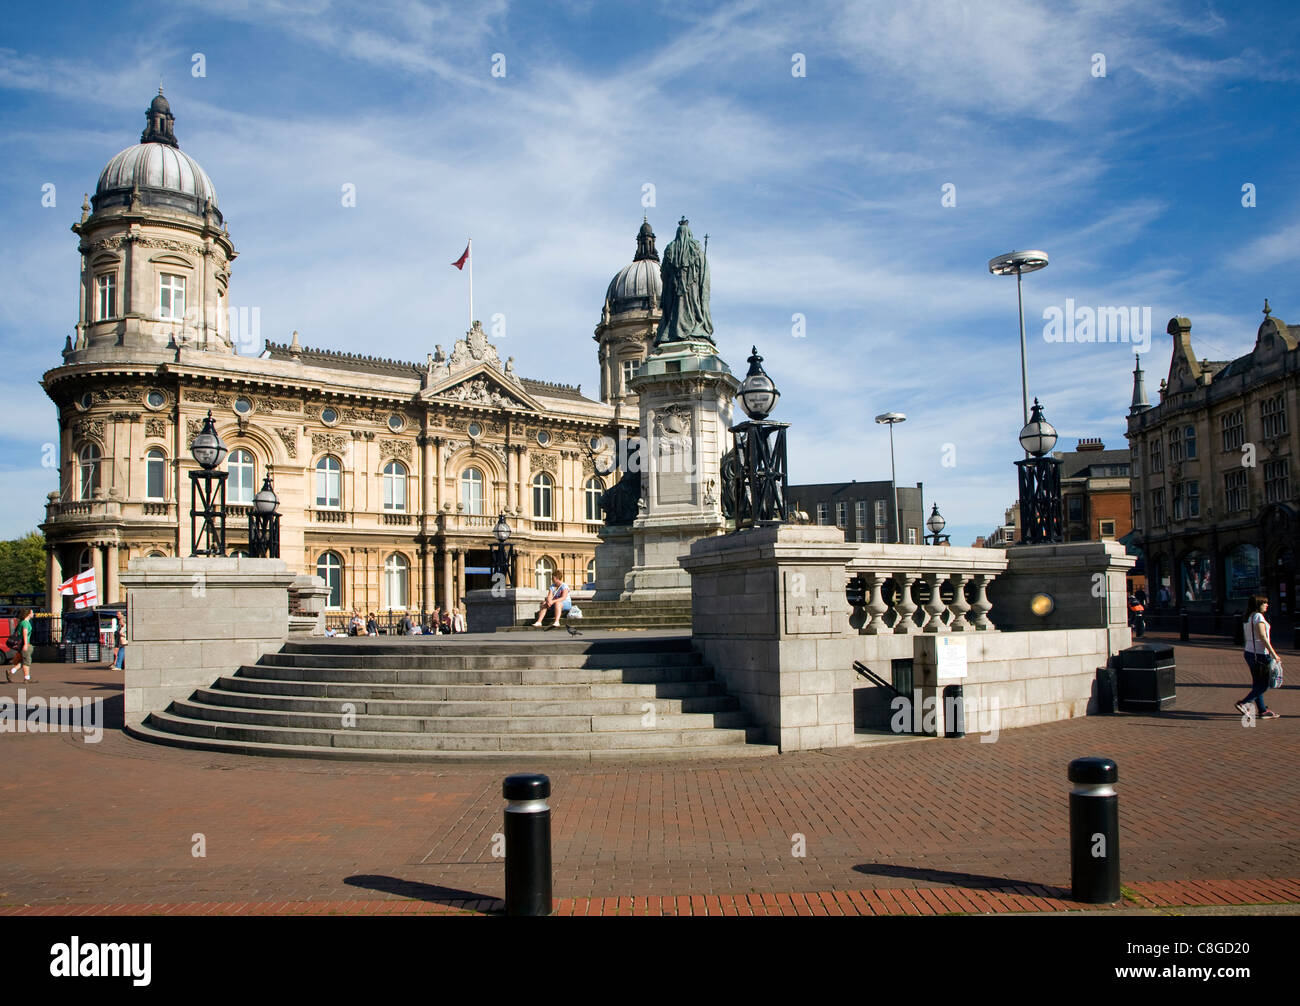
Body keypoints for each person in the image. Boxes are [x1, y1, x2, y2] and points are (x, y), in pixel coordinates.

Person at [1239, 594, 1282, 720]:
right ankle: (1244, 703)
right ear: (1258, 605)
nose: (1267, 605)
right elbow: (1263, 637)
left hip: (1249, 652)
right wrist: (1274, 654)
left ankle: (1262, 710)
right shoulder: (1258, 616)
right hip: (1260, 654)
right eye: (1265, 603)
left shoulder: (1248, 617)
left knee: (1257, 683)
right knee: (1265, 684)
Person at [7, 609, 34, 683]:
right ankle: (27, 679)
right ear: (28, 614)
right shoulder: (25, 623)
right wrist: (25, 644)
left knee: (23, 662)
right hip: (24, 645)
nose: (33, 613)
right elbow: (25, 633)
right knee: (26, 662)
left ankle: (11, 672)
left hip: (22, 645)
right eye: (32, 612)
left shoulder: (22, 622)